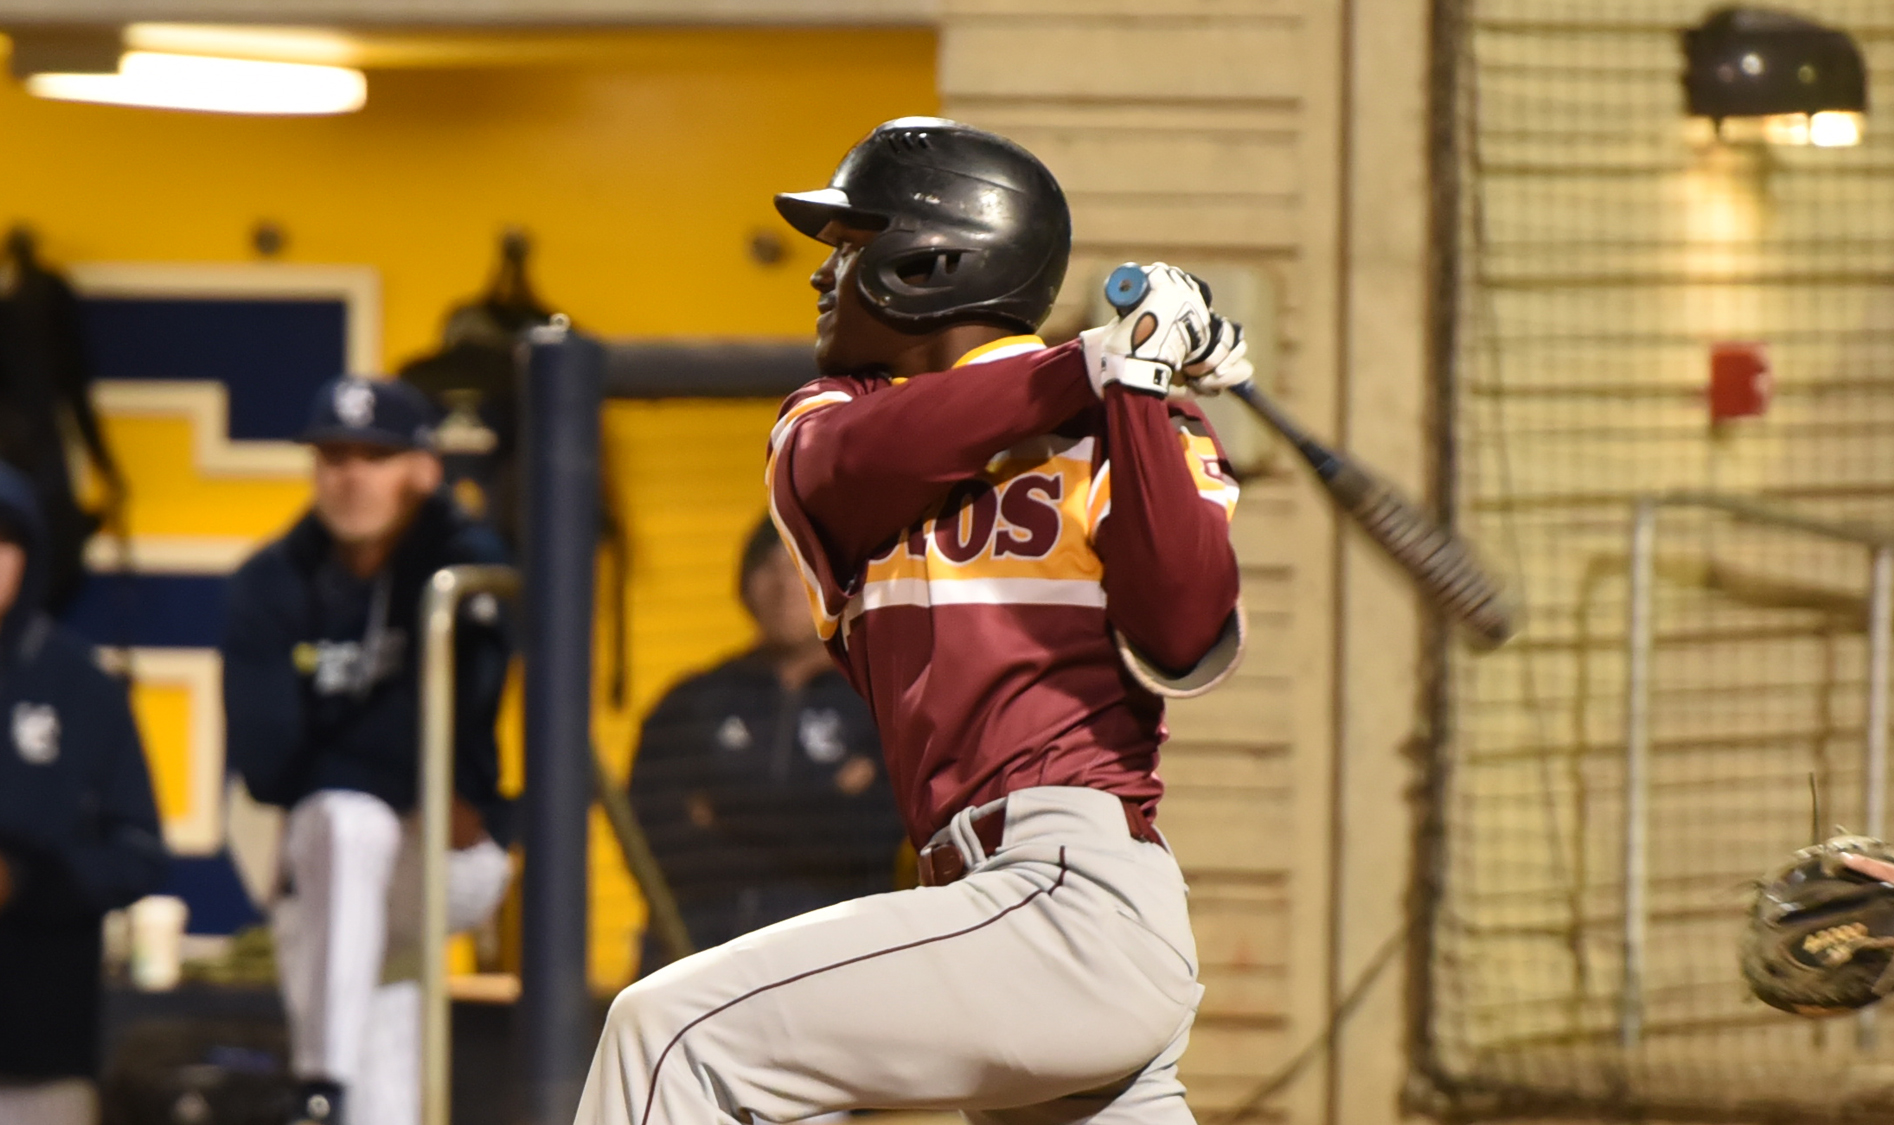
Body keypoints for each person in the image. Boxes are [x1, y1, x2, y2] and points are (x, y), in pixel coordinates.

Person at [576, 116, 1255, 1125]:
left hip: (1070, 894)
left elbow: (1183, 629)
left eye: (851, 245)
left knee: (668, 1035)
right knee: (676, 1034)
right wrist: (1090, 364)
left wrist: (1140, 393)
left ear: (929, 262)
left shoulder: (1121, 421)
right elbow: (858, 462)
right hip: (981, 910)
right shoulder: (825, 422)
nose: (825, 275)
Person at [223, 376, 515, 1125]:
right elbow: (264, 762)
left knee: (346, 819)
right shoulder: (270, 580)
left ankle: (317, 1085)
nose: (349, 477)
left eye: (374, 456)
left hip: (446, 853)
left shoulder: (466, 567)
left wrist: (350, 759)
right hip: (328, 850)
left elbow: (453, 711)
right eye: (332, 457)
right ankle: (337, 1087)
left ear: (424, 468)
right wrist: (397, 771)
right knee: (384, 1079)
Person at [627, 517, 902, 959]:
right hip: (695, 957)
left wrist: (725, 809)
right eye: (768, 568)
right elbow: (657, 841)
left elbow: (870, 840)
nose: (783, 587)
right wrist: (822, 803)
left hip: (834, 964)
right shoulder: (692, 702)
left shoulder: (880, 708)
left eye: (799, 571)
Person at [0, 461, 167, 1125]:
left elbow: (141, 852)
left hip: (40, 1053)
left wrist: (24, 881)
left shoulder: (82, 688)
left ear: (31, 555)